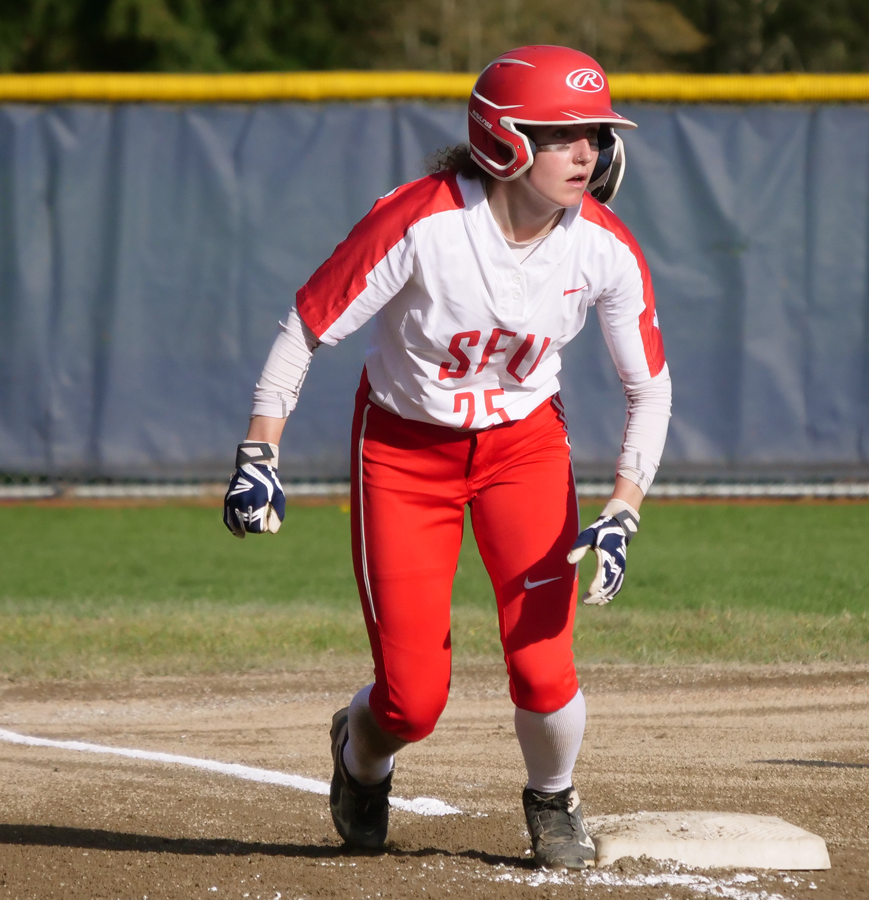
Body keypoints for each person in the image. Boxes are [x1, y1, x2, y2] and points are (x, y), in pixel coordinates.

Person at [223, 45, 671, 870]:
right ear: (503, 141)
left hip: (524, 448)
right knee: (411, 700)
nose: (590, 153)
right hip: (403, 450)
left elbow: (650, 389)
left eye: (596, 136)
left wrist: (624, 506)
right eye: (564, 135)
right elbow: (307, 324)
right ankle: (360, 758)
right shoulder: (424, 221)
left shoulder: (603, 245)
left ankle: (553, 799)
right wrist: (261, 451)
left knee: (544, 666)